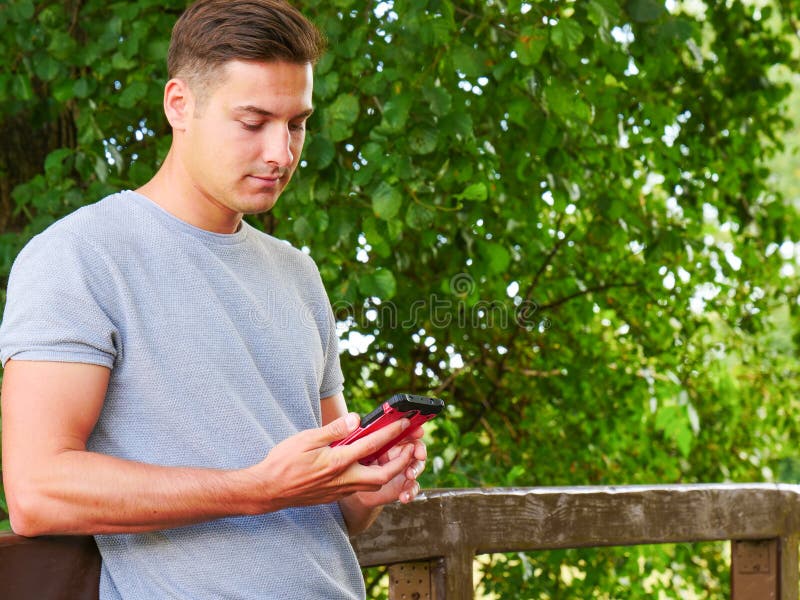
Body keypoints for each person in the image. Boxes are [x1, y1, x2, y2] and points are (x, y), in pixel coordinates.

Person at [0, 1, 427, 598]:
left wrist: (367, 481)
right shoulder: (78, 256)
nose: (281, 153)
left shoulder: (297, 274)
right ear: (180, 104)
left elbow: (336, 504)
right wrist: (257, 488)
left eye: (297, 123)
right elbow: (37, 491)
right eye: (253, 122)